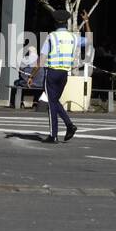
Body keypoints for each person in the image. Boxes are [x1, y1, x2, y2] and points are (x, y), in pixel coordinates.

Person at [33, 9, 87, 143]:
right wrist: (86, 22)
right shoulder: (73, 37)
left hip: (52, 73)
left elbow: (42, 59)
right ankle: (69, 125)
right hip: (64, 74)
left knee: (52, 104)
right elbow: (89, 40)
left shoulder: (52, 36)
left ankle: (53, 135)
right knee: (55, 101)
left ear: (55, 23)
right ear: (66, 23)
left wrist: (32, 75)